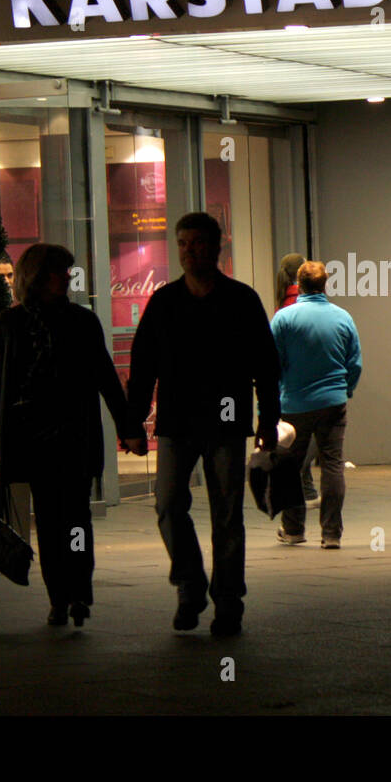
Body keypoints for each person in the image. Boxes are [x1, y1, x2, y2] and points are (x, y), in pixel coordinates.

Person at [128, 212, 281, 636]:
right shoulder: (164, 302)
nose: (189, 251)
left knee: (228, 513)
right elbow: (143, 367)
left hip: (227, 422)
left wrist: (269, 420)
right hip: (177, 420)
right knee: (168, 504)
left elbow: (266, 367)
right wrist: (133, 422)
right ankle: (190, 585)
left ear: (217, 247)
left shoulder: (241, 300)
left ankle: (227, 600)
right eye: (182, 243)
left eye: (196, 243)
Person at [0, 244, 143, 627]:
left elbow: (106, 377)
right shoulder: (14, 324)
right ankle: (63, 594)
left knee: (72, 517)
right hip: (42, 437)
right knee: (55, 518)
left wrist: (128, 426)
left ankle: (74, 592)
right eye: (60, 271)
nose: (67, 278)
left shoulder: (75, 322)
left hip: (68, 435)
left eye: (67, 271)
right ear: (39, 276)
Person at [271, 260, 362, 549]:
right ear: (325, 285)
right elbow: (355, 362)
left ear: (299, 284)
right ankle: (331, 533)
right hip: (333, 403)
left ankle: (294, 529)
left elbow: (272, 363)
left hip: (295, 404)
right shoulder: (343, 317)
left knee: (291, 467)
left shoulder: (284, 318)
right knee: (333, 465)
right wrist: (344, 389)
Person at [275, 252, 320, 510]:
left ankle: (307, 492)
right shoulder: (302, 305)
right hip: (310, 385)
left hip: (291, 386)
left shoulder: (282, 305)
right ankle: (301, 502)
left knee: (297, 438)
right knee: (307, 440)